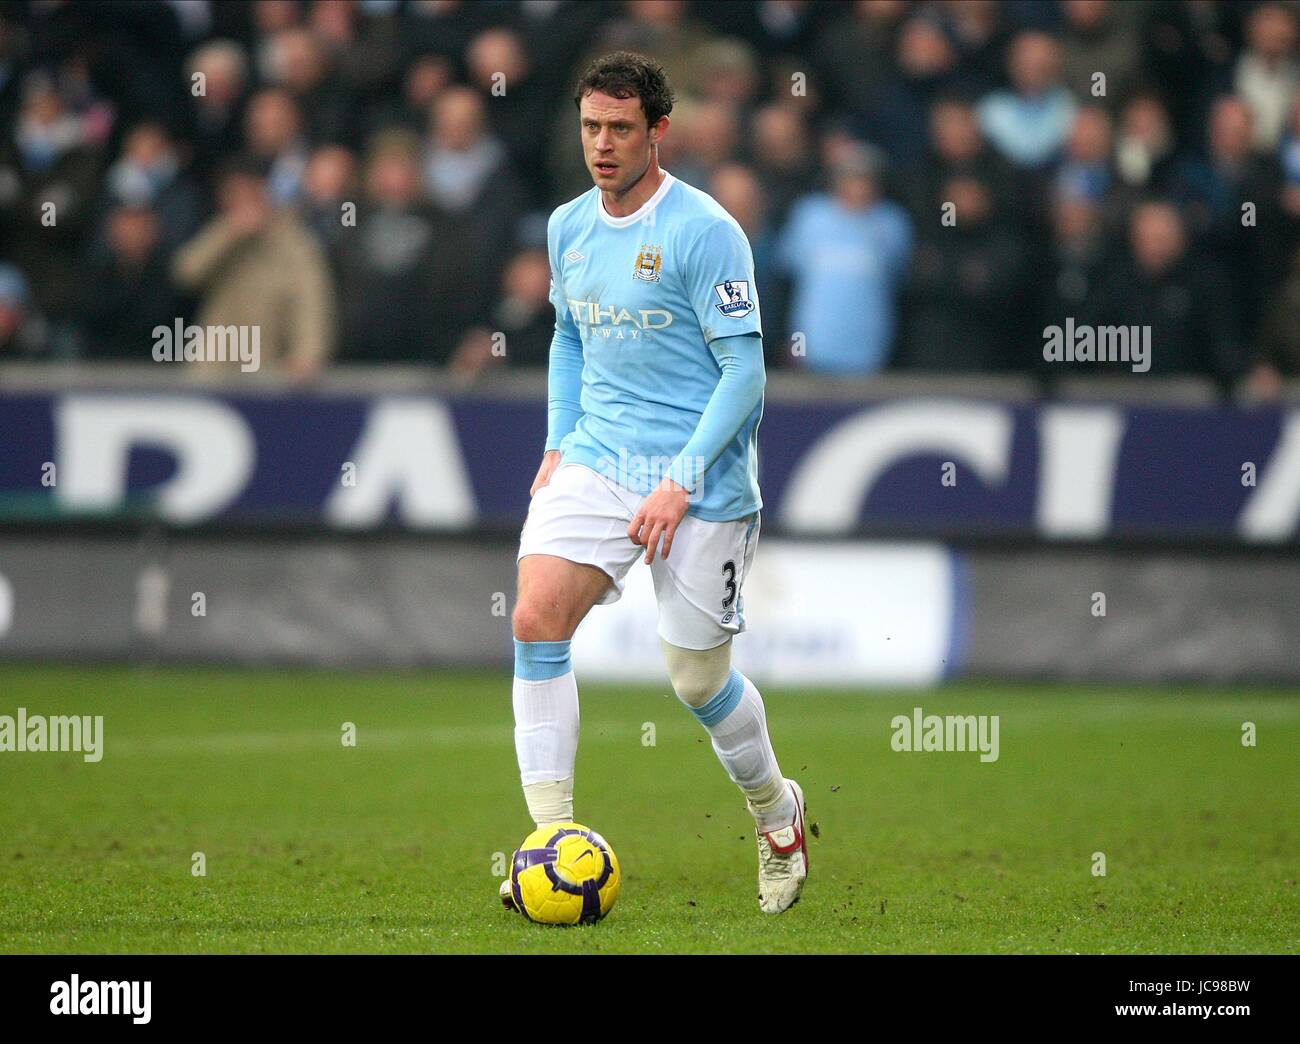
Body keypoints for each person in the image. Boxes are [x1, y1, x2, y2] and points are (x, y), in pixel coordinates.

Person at [502, 51, 807, 917]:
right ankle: (548, 839)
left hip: (698, 475)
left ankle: (776, 813)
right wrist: (560, 440)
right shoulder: (566, 226)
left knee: (696, 680)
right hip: (598, 456)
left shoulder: (706, 230)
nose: (602, 144)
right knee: (534, 616)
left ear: (657, 132)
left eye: (621, 129)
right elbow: (567, 338)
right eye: (591, 126)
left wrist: (679, 478)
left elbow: (744, 376)